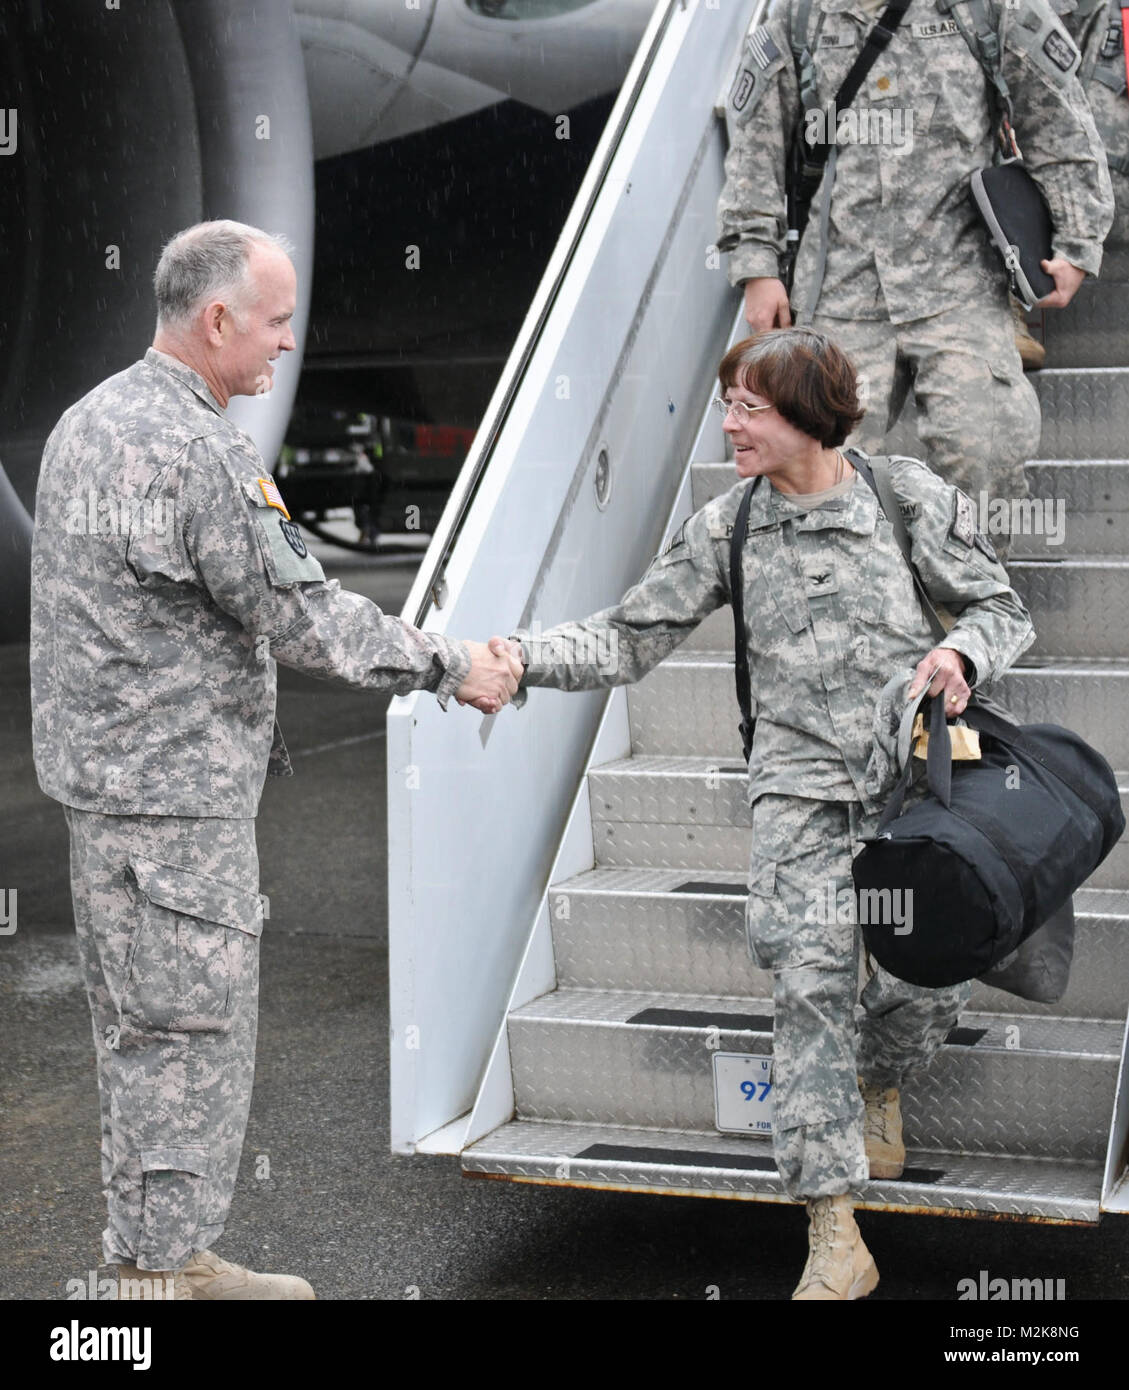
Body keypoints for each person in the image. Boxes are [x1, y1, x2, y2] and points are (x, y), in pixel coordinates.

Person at [28, 220, 523, 1301]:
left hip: (106, 798)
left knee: (142, 1035)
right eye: (277, 320)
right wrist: (452, 664)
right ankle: (149, 1285)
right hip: (175, 807)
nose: (288, 343)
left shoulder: (88, 421)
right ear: (216, 320)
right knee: (187, 1043)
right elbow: (306, 619)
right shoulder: (201, 450)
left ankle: (166, 1250)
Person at [490, 329, 1035, 1299]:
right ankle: (833, 1229)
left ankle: (876, 1075)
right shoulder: (727, 526)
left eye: (752, 407)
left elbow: (1000, 606)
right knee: (806, 992)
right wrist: (522, 659)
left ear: (811, 414)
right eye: (729, 404)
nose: (731, 424)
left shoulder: (902, 495)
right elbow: (628, 637)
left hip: (915, 789)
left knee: (933, 977)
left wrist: (961, 656)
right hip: (795, 796)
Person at [716, 0, 1114, 550]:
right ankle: (852, 618)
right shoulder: (800, 16)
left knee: (985, 448)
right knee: (822, 465)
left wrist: (1076, 239)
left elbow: (1056, 114)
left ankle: (966, 611)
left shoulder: (986, 8)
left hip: (961, 277)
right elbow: (755, 144)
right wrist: (757, 264)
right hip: (840, 283)